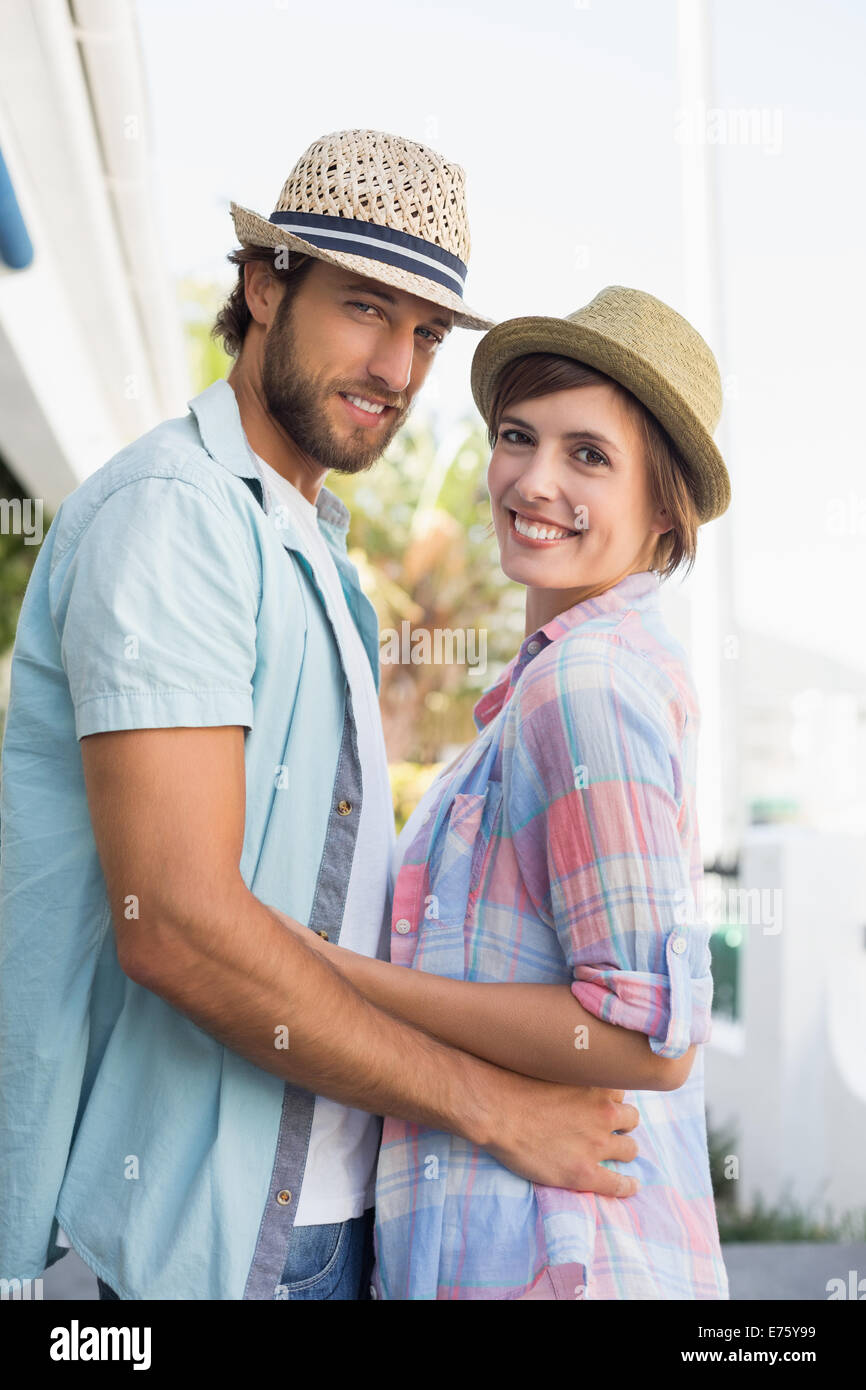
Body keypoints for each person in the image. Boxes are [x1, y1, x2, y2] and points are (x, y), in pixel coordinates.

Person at [0, 131, 641, 1302]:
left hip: (333, 1214)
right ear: (262, 285)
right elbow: (176, 925)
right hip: (209, 1238)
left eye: (425, 333)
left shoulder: (316, 552)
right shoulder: (177, 521)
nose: (396, 366)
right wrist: (492, 1106)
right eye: (363, 307)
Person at [282, 285, 733, 1299]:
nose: (530, 480)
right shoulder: (560, 678)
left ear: (664, 507)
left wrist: (333, 976)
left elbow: (644, 1038)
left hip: (559, 1261)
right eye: (517, 437)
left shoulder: (585, 683)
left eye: (587, 455)